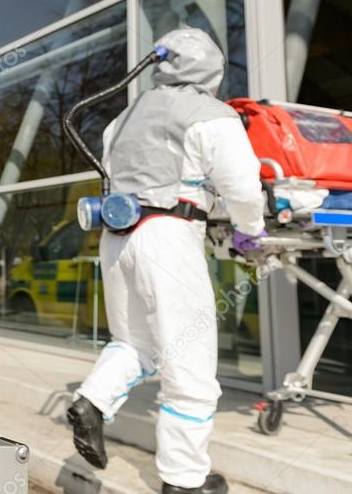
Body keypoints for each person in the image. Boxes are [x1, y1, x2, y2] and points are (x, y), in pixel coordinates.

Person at [67, 28, 265, 494]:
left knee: (134, 342)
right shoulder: (210, 114)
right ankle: (184, 480)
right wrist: (251, 231)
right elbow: (241, 187)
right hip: (168, 239)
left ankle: (92, 400)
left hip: (117, 238)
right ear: (212, 71)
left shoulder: (122, 119)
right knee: (189, 363)